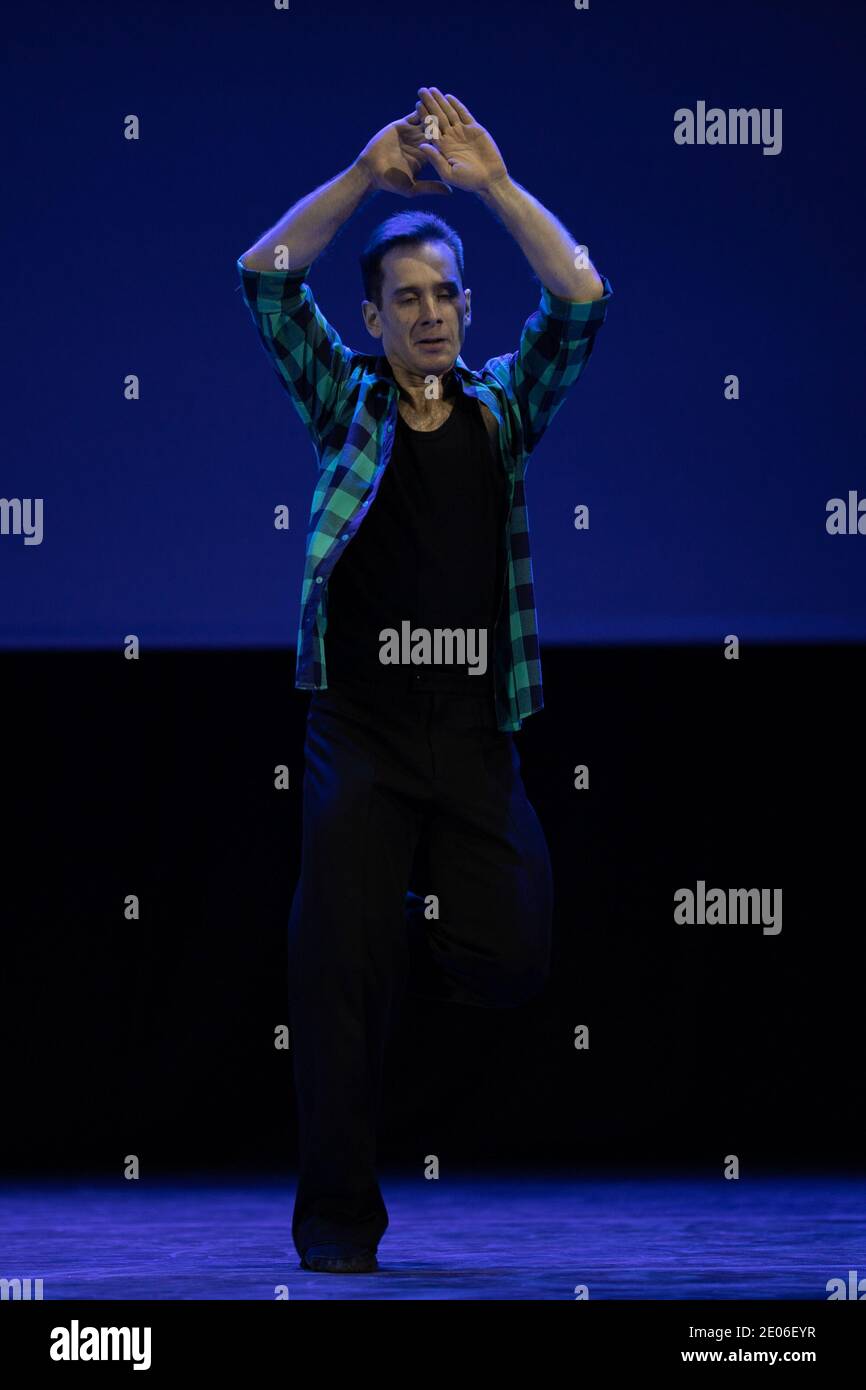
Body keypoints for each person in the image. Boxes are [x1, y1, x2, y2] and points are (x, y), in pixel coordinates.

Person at [237, 87, 613, 1273]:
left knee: (511, 952)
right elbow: (261, 274)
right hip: (359, 724)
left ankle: (391, 925)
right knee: (331, 985)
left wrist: (493, 188)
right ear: (374, 315)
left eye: (446, 294)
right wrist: (361, 174)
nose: (432, 314)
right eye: (406, 298)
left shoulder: (502, 412)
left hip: (471, 731)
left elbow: (581, 299)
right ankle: (338, 1229)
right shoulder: (344, 400)